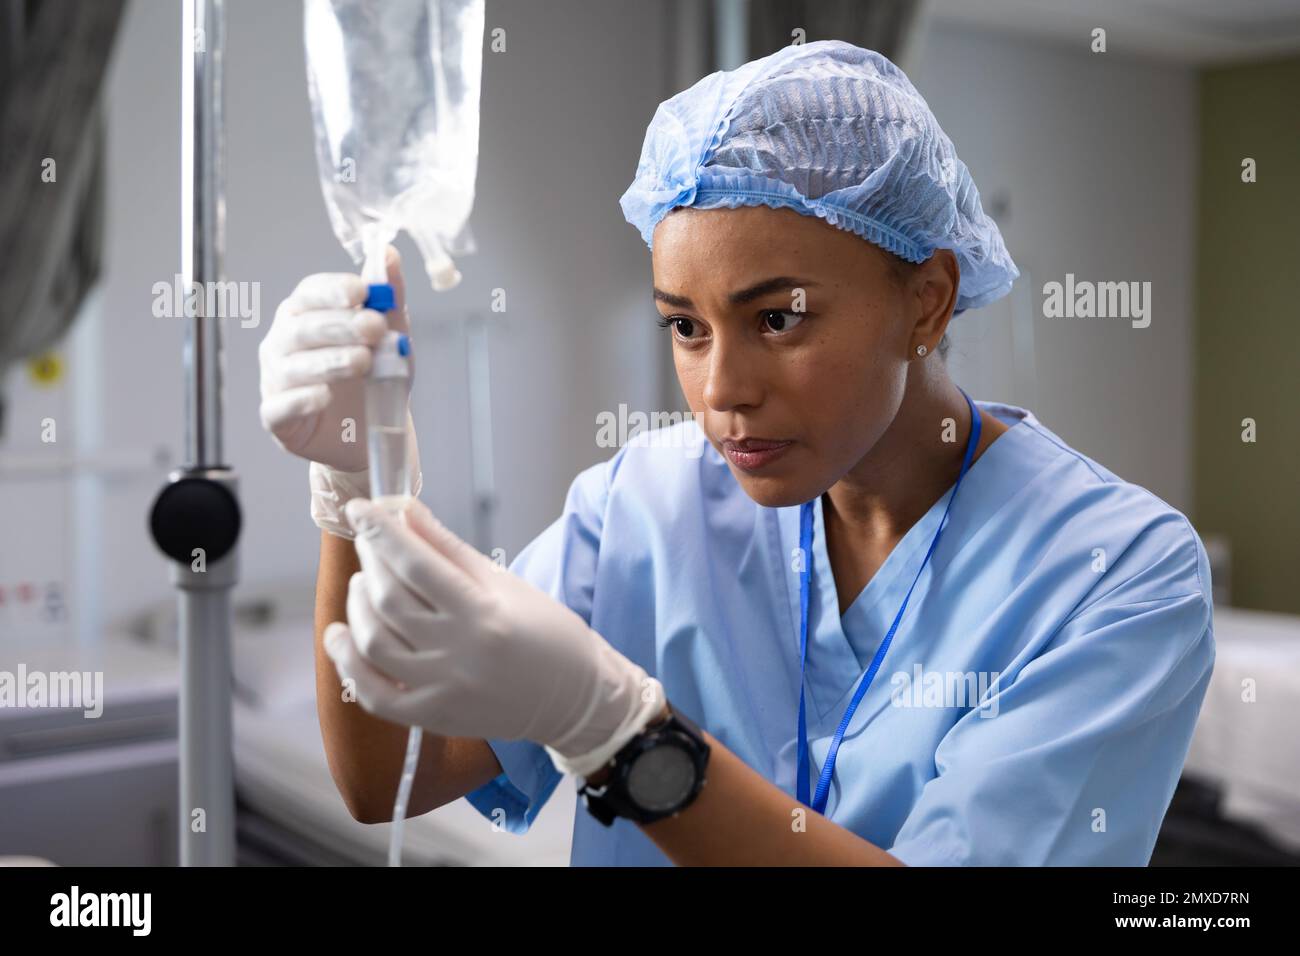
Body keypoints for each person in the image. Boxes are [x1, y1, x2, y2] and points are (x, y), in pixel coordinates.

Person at [258, 41, 1214, 866]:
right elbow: (389, 777)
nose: (721, 391)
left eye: (776, 317)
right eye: (685, 327)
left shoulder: (1114, 573)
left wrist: (623, 736)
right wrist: (356, 491)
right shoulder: (643, 506)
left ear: (926, 302)